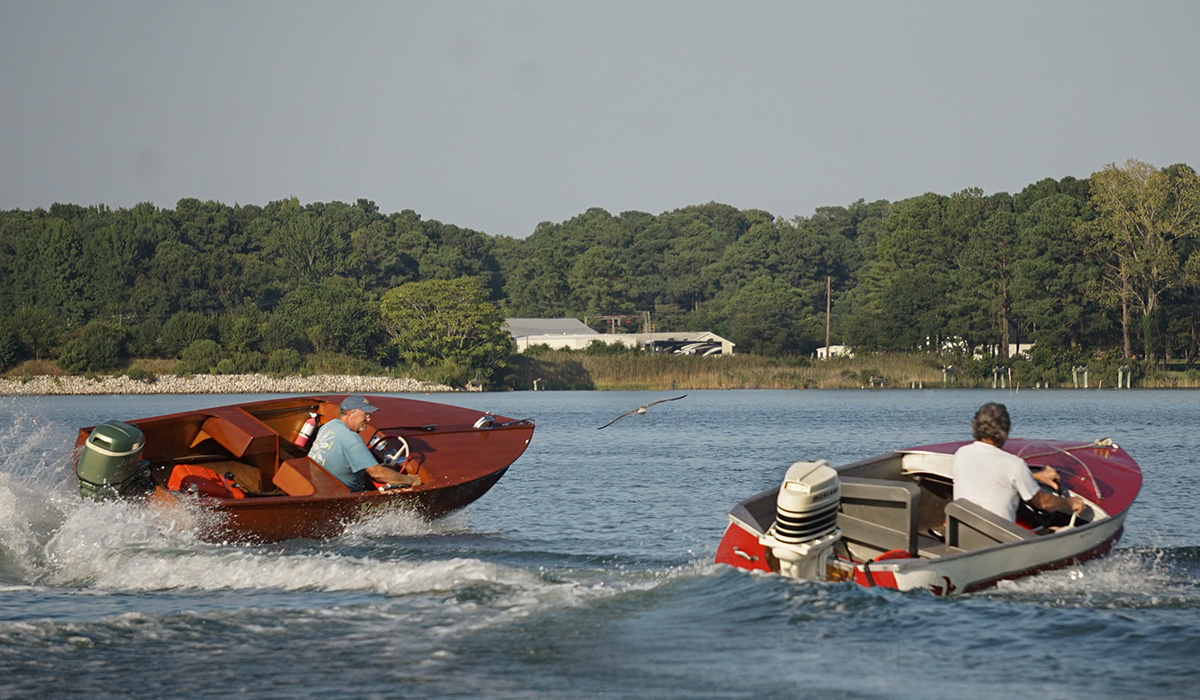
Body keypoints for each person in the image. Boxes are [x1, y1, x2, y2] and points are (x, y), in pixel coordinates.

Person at [952, 402, 1083, 523]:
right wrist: (1070, 502)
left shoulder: (961, 454)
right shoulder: (1013, 464)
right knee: (1055, 529)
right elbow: (1043, 503)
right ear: (1007, 431)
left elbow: (988, 473)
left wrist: (1035, 476)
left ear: (975, 427)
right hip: (1000, 540)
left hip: (964, 533)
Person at [307, 395, 421, 491]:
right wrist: (410, 480)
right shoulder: (352, 439)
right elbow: (377, 473)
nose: (369, 419)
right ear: (349, 414)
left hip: (317, 483)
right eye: (365, 415)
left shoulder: (329, 425)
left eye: (369, 415)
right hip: (343, 493)